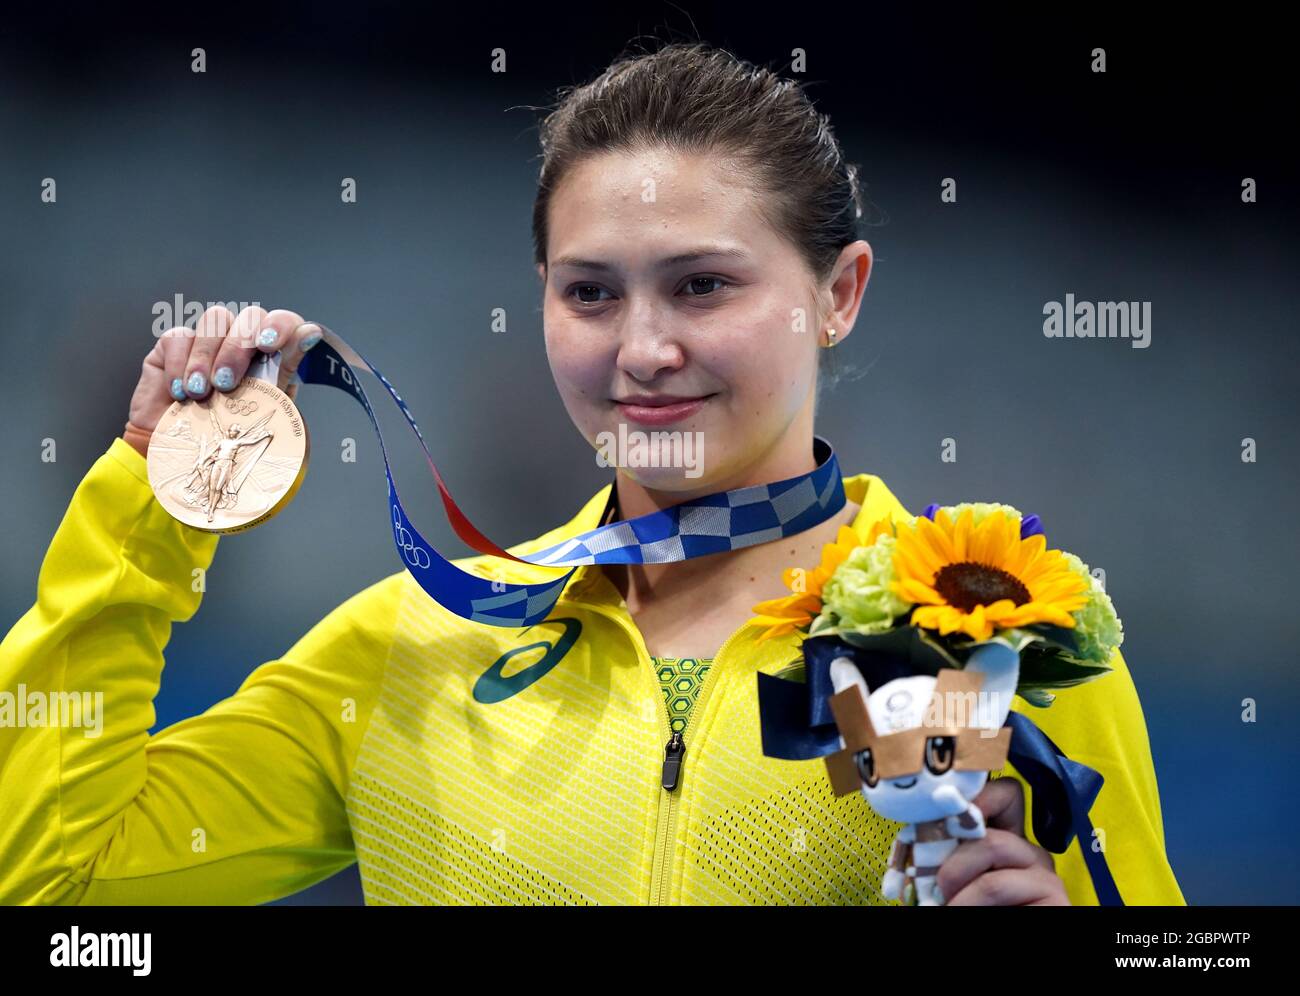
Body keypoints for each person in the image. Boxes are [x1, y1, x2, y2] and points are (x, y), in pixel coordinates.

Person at [0, 41, 1184, 906]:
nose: (642, 349)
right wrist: (144, 511)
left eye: (703, 285)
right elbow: (55, 884)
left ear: (839, 293)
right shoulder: (409, 652)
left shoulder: (998, 630)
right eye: (591, 292)